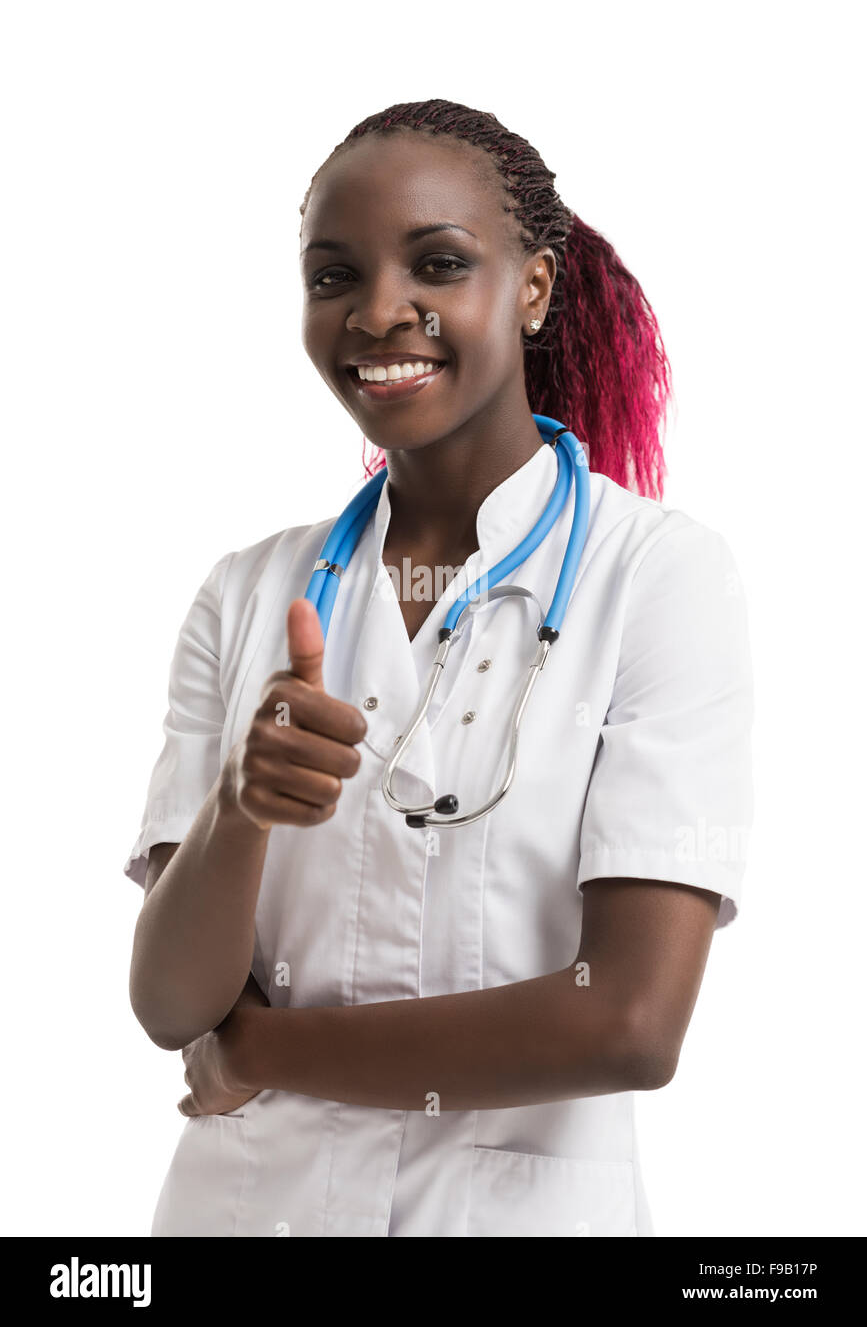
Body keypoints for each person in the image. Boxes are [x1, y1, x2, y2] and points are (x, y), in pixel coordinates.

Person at [124, 98, 753, 1238]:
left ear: (535, 287)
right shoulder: (249, 593)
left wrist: (264, 1044)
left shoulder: (656, 577)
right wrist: (241, 806)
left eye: (439, 263)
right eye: (332, 276)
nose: (376, 312)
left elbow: (629, 1023)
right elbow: (174, 1004)